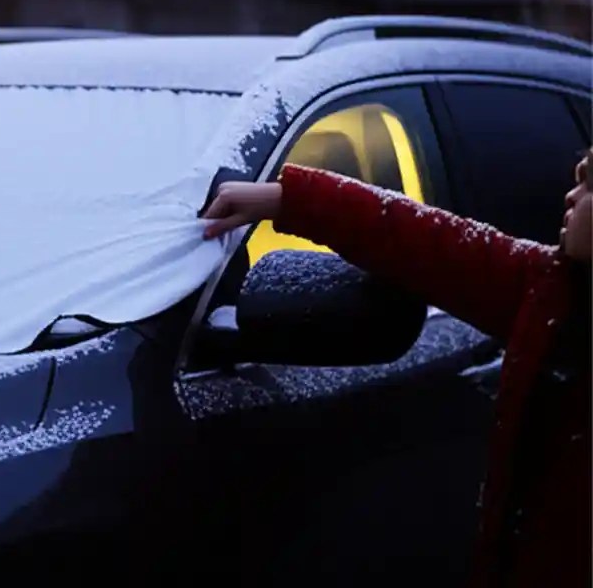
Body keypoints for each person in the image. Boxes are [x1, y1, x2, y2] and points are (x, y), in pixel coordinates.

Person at [201, 151, 592, 588]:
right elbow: (427, 241)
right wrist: (286, 199)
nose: (571, 195)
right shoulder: (552, 290)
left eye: (590, 186)